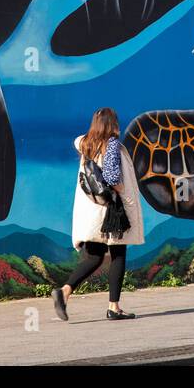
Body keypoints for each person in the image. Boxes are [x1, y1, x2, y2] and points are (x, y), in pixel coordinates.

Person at [53, 107, 144, 321]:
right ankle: (114, 307)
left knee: (94, 257)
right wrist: (125, 192)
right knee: (118, 255)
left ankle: (65, 291)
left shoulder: (86, 144)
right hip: (112, 212)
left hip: (92, 211)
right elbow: (112, 178)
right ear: (112, 124)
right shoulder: (111, 145)